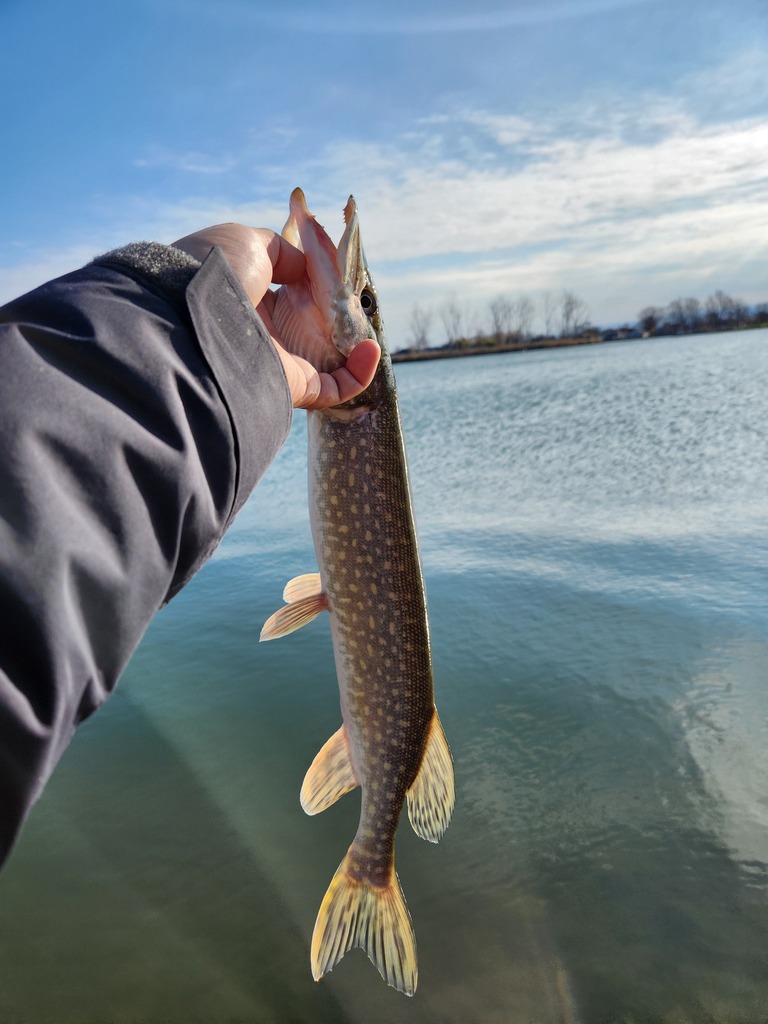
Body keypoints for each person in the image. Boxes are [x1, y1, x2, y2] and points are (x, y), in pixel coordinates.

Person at [0, 223, 380, 866]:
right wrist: (207, 334)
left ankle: (375, 852)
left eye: (364, 306)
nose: (355, 298)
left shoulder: (366, 407)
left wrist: (198, 320)